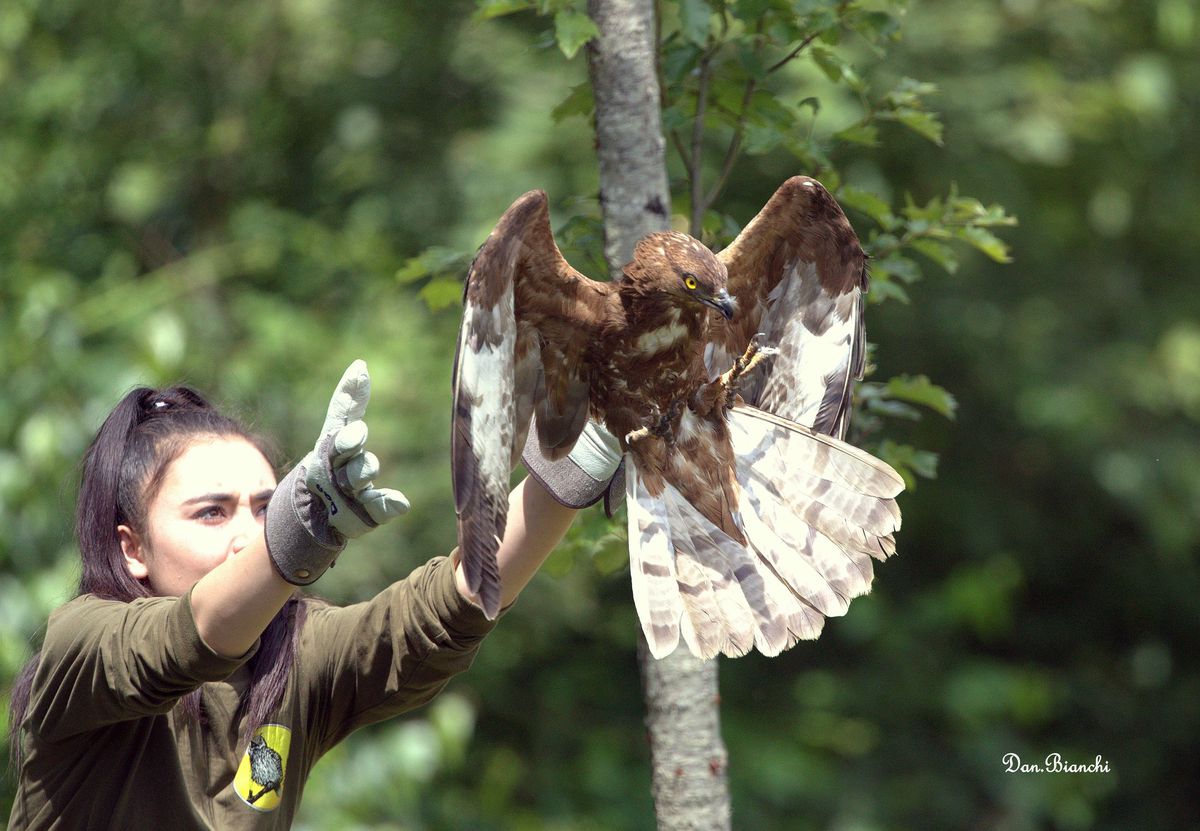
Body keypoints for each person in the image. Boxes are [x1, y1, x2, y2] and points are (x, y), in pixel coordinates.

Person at [6, 360, 621, 830]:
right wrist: (293, 539)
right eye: (211, 514)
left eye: (266, 510)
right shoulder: (81, 645)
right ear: (132, 548)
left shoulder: (291, 653)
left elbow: (441, 611)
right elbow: (179, 642)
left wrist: (576, 463)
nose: (248, 536)